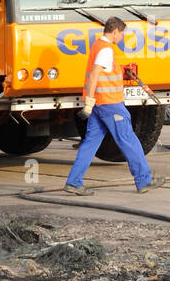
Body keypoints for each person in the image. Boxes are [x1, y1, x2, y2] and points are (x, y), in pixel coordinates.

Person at [64, 17, 164, 194]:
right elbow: (95, 74)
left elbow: (102, 72)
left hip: (99, 104)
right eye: (122, 34)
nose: (122, 38)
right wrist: (88, 101)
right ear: (115, 31)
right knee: (129, 140)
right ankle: (144, 180)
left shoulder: (97, 46)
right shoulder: (106, 50)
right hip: (110, 104)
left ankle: (73, 182)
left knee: (90, 143)